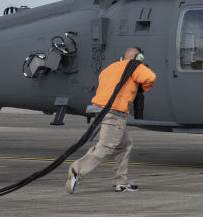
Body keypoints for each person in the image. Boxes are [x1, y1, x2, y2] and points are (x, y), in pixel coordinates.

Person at [67, 46, 156, 194]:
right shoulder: (135, 66)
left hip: (103, 111)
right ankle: (77, 170)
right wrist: (143, 87)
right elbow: (150, 78)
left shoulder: (110, 68)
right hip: (115, 113)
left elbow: (102, 81)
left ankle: (120, 181)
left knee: (125, 144)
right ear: (138, 57)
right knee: (106, 146)